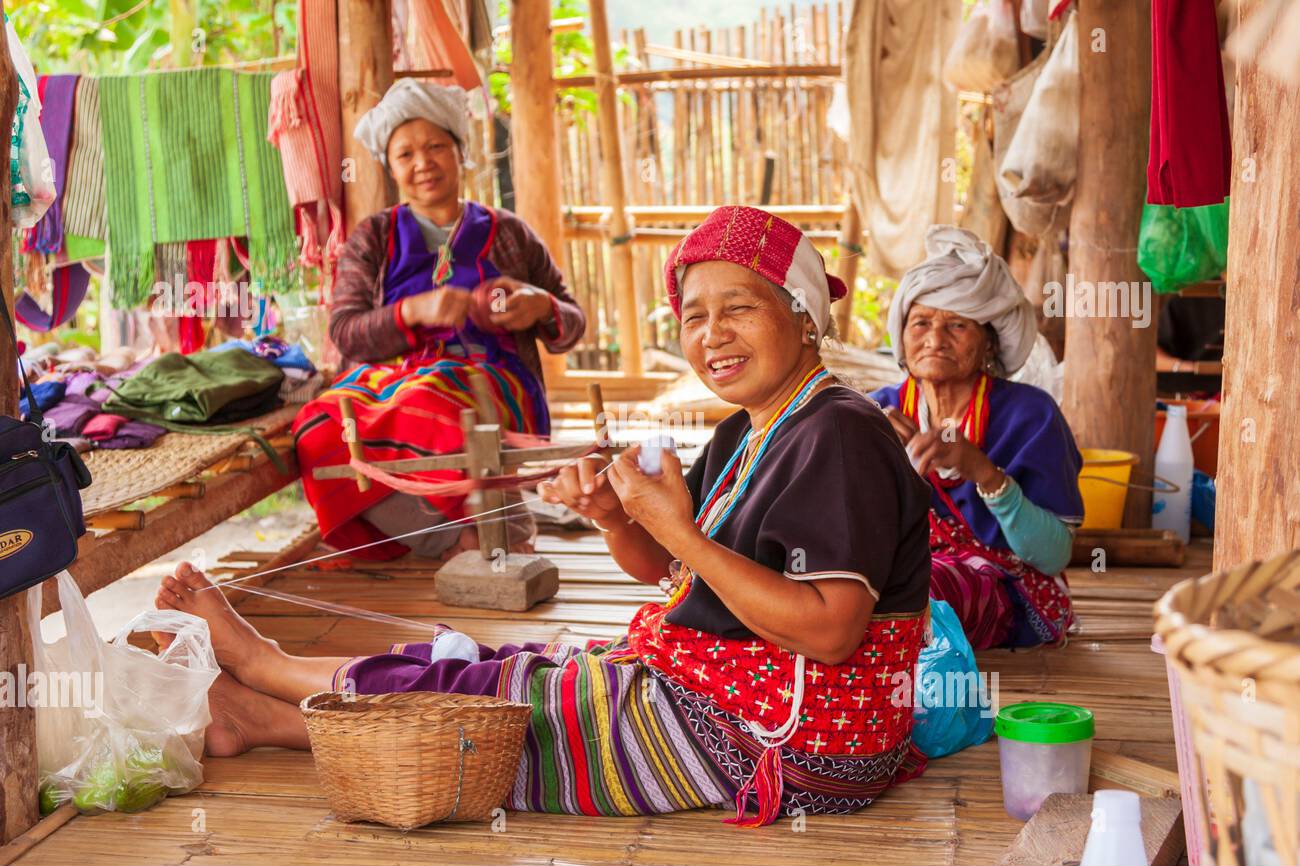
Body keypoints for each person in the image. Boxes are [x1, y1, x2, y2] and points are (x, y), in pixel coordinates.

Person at [157, 206, 933, 826]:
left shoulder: (838, 433)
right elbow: (675, 575)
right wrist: (617, 521)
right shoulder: (750, 425)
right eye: (694, 317)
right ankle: (257, 711)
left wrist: (673, 527)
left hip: (796, 740)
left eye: (739, 309)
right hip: (734, 689)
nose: (712, 336)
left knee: (497, 712)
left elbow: (830, 631)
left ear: (803, 317)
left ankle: (266, 675)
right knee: (511, 672)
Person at [293, 80, 586, 562]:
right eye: (405, 154)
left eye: (435, 147)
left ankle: (496, 521)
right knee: (319, 426)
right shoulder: (373, 237)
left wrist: (539, 306)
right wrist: (412, 311)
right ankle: (460, 537)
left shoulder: (507, 232)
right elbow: (344, 331)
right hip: (385, 384)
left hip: (492, 381)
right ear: (391, 167)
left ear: (460, 152)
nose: (422, 162)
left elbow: (573, 323)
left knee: (435, 398)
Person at [871, 226, 1084, 650]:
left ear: (988, 343)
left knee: (917, 591)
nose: (935, 339)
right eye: (921, 323)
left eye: (957, 326)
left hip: (1006, 589)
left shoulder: (1030, 415)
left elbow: (1053, 555)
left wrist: (983, 472)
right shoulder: (877, 412)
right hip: (898, 573)